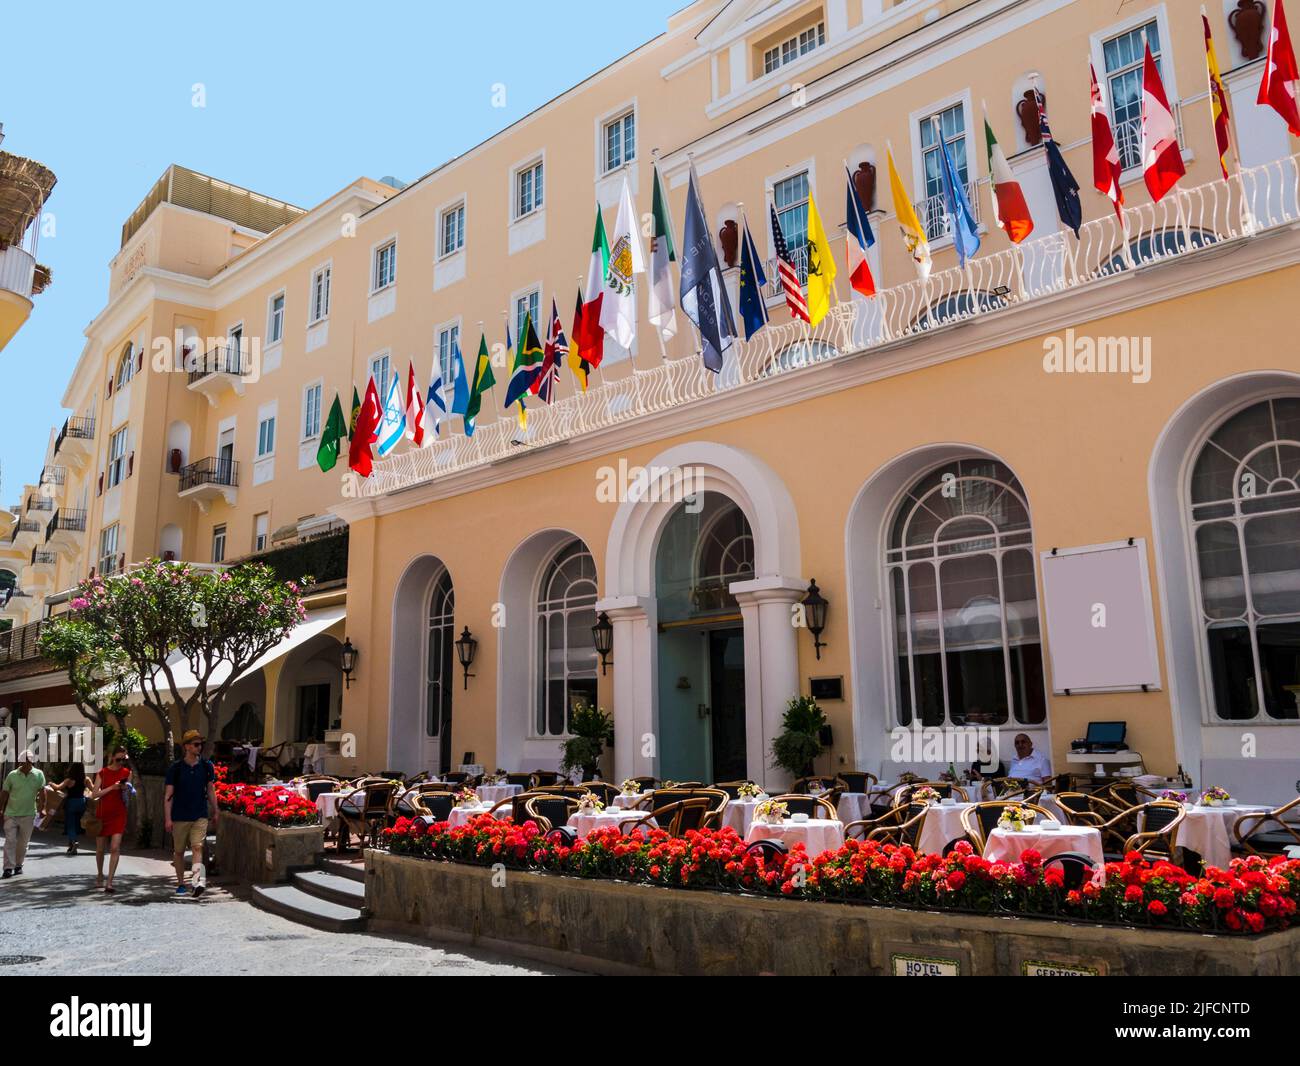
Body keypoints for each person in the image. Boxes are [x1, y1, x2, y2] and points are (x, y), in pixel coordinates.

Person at [164, 729, 218, 898]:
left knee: (197, 847)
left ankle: (197, 882)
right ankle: (181, 883)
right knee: (179, 851)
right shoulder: (176, 768)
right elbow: (168, 795)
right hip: (179, 816)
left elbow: (210, 789)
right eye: (195, 744)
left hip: (199, 814)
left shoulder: (207, 766)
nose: (199, 747)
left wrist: (216, 810)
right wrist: (168, 818)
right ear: (187, 746)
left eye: (200, 744)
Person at [91, 746, 132, 892]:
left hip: (119, 813)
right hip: (103, 814)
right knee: (100, 849)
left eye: (124, 759)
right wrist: (111, 788)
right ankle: (100, 875)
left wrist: (126, 788)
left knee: (115, 847)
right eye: (119, 759)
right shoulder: (102, 772)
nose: (121, 762)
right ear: (113, 757)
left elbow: (128, 794)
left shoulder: (127, 772)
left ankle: (110, 882)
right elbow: (94, 795)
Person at [1, 750, 46, 877]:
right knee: (10, 840)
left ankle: (18, 864)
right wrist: (0, 808)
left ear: (32, 762)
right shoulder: (12, 775)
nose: (27, 764)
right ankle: (8, 867)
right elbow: (4, 792)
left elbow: (43, 792)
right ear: (21, 761)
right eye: (24, 761)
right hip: (11, 813)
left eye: (29, 761)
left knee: (23, 843)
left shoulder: (38, 775)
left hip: (29, 814)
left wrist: (43, 808)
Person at [47, 763, 87, 855]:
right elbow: (93, 789)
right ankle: (71, 845)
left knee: (70, 824)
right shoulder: (86, 779)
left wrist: (50, 783)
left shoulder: (69, 780)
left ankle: (74, 842)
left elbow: (57, 787)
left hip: (71, 803)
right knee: (76, 823)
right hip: (82, 802)